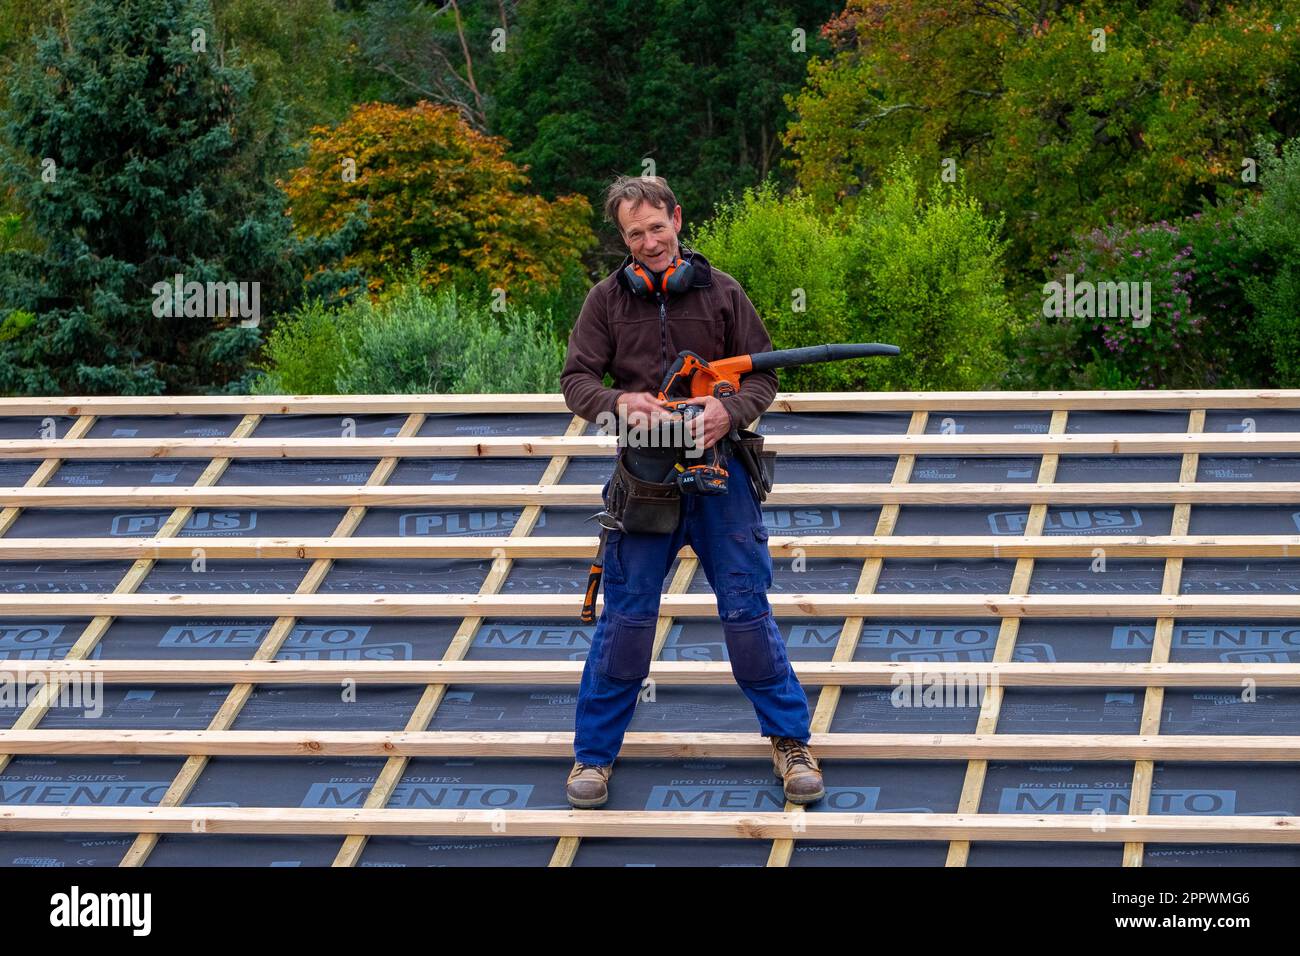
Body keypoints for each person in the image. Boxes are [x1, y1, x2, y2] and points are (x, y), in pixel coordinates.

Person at [558, 174, 823, 810]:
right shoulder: (605, 301)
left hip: (722, 478)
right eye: (634, 234)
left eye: (657, 227)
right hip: (643, 480)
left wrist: (730, 414)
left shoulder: (723, 292)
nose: (649, 241)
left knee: (746, 613)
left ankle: (790, 742)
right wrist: (622, 404)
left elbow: (763, 377)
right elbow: (575, 381)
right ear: (622, 239)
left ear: (677, 219)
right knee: (626, 619)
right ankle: (594, 755)